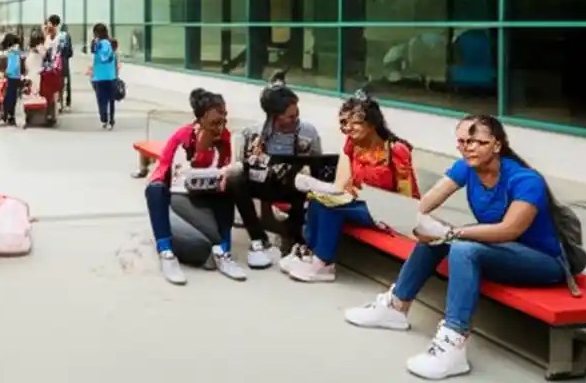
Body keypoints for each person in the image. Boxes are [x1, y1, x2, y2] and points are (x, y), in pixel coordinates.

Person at [344, 115, 568, 380]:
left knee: (460, 246)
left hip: (542, 262)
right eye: (462, 142)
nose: (467, 147)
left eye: (476, 141)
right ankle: (396, 307)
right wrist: (422, 224)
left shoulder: (525, 180)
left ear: (496, 145)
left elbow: (510, 230)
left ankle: (453, 342)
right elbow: (425, 204)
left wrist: (452, 233)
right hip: (499, 252)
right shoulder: (466, 168)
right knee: (438, 235)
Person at [282, 90, 421, 282]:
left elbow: (408, 196)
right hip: (358, 202)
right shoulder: (351, 144)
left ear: (372, 123)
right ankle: (309, 253)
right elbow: (340, 185)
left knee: (332, 207)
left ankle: (324, 263)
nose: (348, 128)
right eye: (344, 123)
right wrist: (313, 185)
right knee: (318, 198)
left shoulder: (396, 150)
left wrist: (406, 224)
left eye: (355, 122)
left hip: (388, 211)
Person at [144, 88, 247, 285]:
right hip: (178, 197)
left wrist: (227, 173)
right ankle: (166, 252)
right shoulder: (183, 137)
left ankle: (223, 251)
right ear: (200, 120)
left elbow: (225, 169)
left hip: (206, 196)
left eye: (224, 120)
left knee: (230, 184)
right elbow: (176, 177)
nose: (220, 128)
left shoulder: (225, 139)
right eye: (214, 123)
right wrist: (201, 150)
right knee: (155, 189)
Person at [225, 73, 323, 268]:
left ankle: (295, 239)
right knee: (234, 177)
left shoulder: (307, 132)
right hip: (261, 182)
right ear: (275, 117)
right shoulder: (253, 134)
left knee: (302, 181)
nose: (295, 120)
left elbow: (319, 165)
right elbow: (239, 164)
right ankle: (258, 239)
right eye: (290, 117)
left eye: (297, 115)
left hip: (293, 186)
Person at [88, 23, 119, 129]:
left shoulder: (96, 44)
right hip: (111, 76)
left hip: (99, 76)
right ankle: (111, 120)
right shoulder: (112, 43)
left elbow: (93, 52)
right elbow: (114, 59)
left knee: (101, 99)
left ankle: (104, 118)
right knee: (111, 99)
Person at [46, 15, 73, 111]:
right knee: (63, 82)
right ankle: (63, 102)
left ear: (51, 23)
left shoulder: (49, 34)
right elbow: (70, 52)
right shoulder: (65, 35)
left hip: (51, 62)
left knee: (53, 83)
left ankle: (56, 102)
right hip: (63, 61)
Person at [0, 33, 24, 126]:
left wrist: (7, 72)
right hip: (16, 76)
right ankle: (10, 115)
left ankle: (7, 115)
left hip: (11, 76)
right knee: (12, 97)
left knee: (8, 97)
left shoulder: (12, 51)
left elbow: (13, 64)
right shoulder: (17, 50)